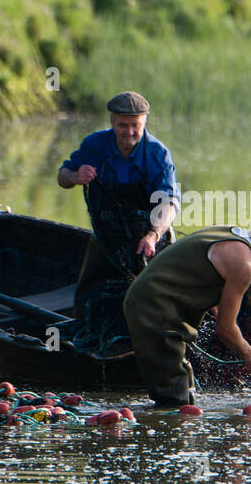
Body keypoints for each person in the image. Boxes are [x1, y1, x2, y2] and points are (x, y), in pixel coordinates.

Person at [122, 213, 251, 407]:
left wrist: (216, 306)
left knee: (183, 389)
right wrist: (248, 351)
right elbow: (225, 329)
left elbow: (200, 267)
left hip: (149, 299)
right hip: (154, 307)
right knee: (176, 401)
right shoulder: (244, 265)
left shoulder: (231, 233)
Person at [58, 91, 179, 324]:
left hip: (151, 236)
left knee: (162, 298)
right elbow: (62, 177)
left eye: (136, 125)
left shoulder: (158, 154)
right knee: (88, 294)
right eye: (123, 125)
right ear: (112, 121)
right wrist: (75, 175)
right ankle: (86, 334)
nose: (130, 132)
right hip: (106, 237)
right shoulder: (94, 145)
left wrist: (153, 235)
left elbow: (169, 203)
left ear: (144, 122)